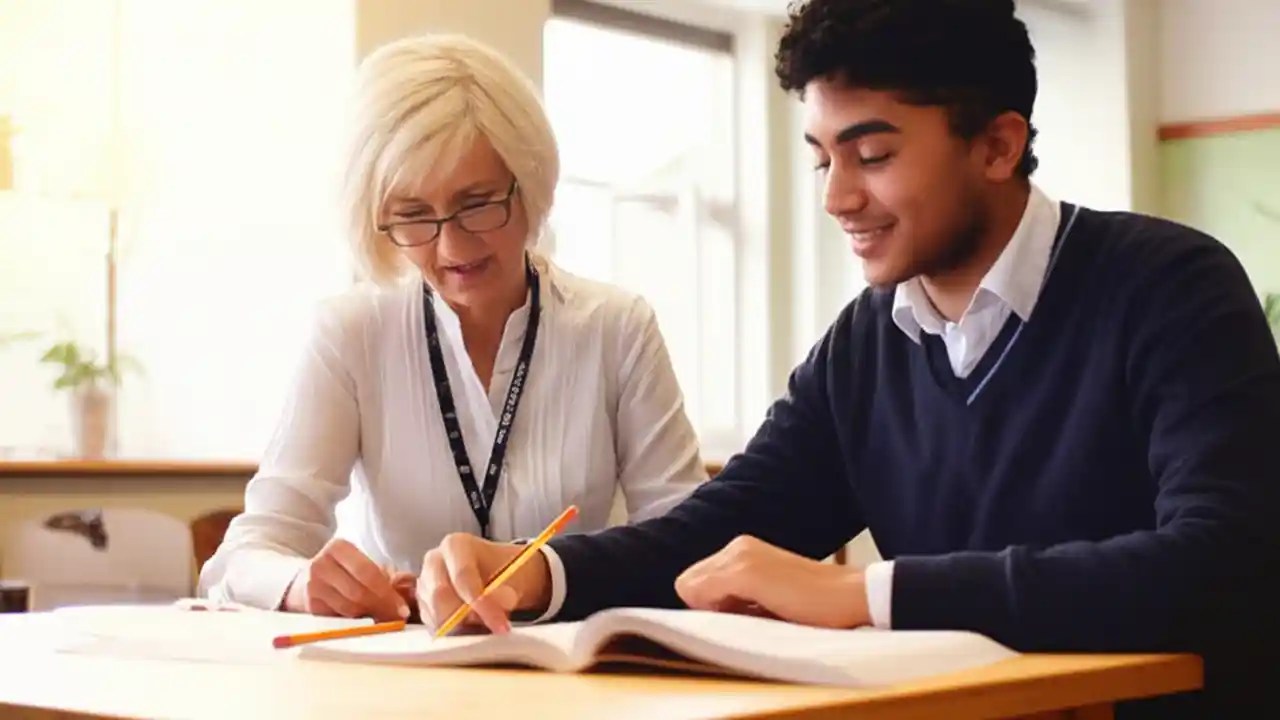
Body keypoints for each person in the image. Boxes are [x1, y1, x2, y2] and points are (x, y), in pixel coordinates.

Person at [412, 1, 1280, 715]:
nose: (836, 196)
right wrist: (536, 574)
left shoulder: (1171, 287)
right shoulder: (864, 345)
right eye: (823, 158)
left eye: (873, 155)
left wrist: (866, 596)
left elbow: (1221, 564)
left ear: (998, 146)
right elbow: (721, 529)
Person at [198, 34, 708, 623]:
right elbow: (242, 558)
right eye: (414, 215)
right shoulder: (351, 333)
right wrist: (303, 585)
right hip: (405, 679)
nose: (452, 247)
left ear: (530, 182)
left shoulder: (618, 330)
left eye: (477, 204)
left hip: (576, 677)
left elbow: (690, 545)